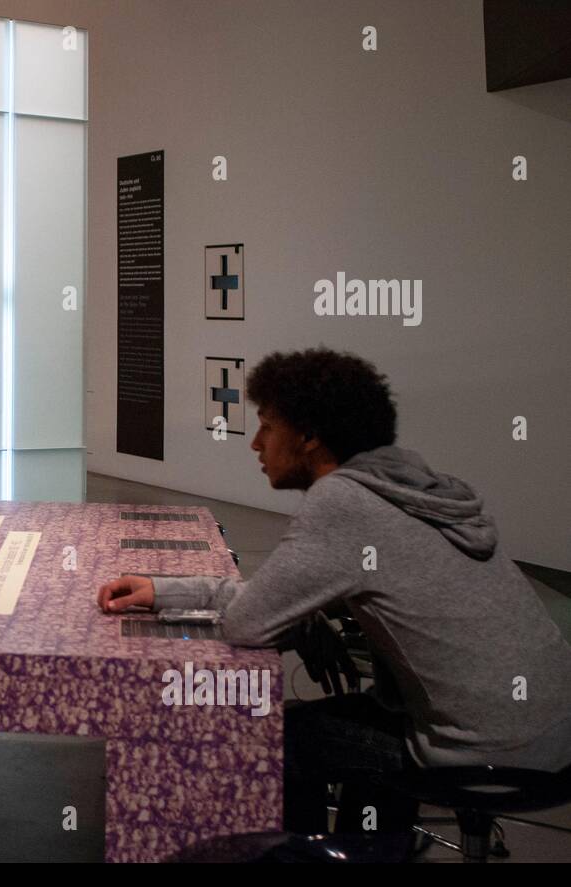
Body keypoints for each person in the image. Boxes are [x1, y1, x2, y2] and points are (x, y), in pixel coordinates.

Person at [97, 348, 571, 835]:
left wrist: (185, 595)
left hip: (490, 753)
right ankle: (375, 841)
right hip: (552, 730)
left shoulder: (343, 501)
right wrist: (165, 590)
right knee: (351, 719)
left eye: (267, 426)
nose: (256, 444)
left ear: (308, 437)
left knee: (278, 734)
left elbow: (249, 622)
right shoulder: (414, 486)